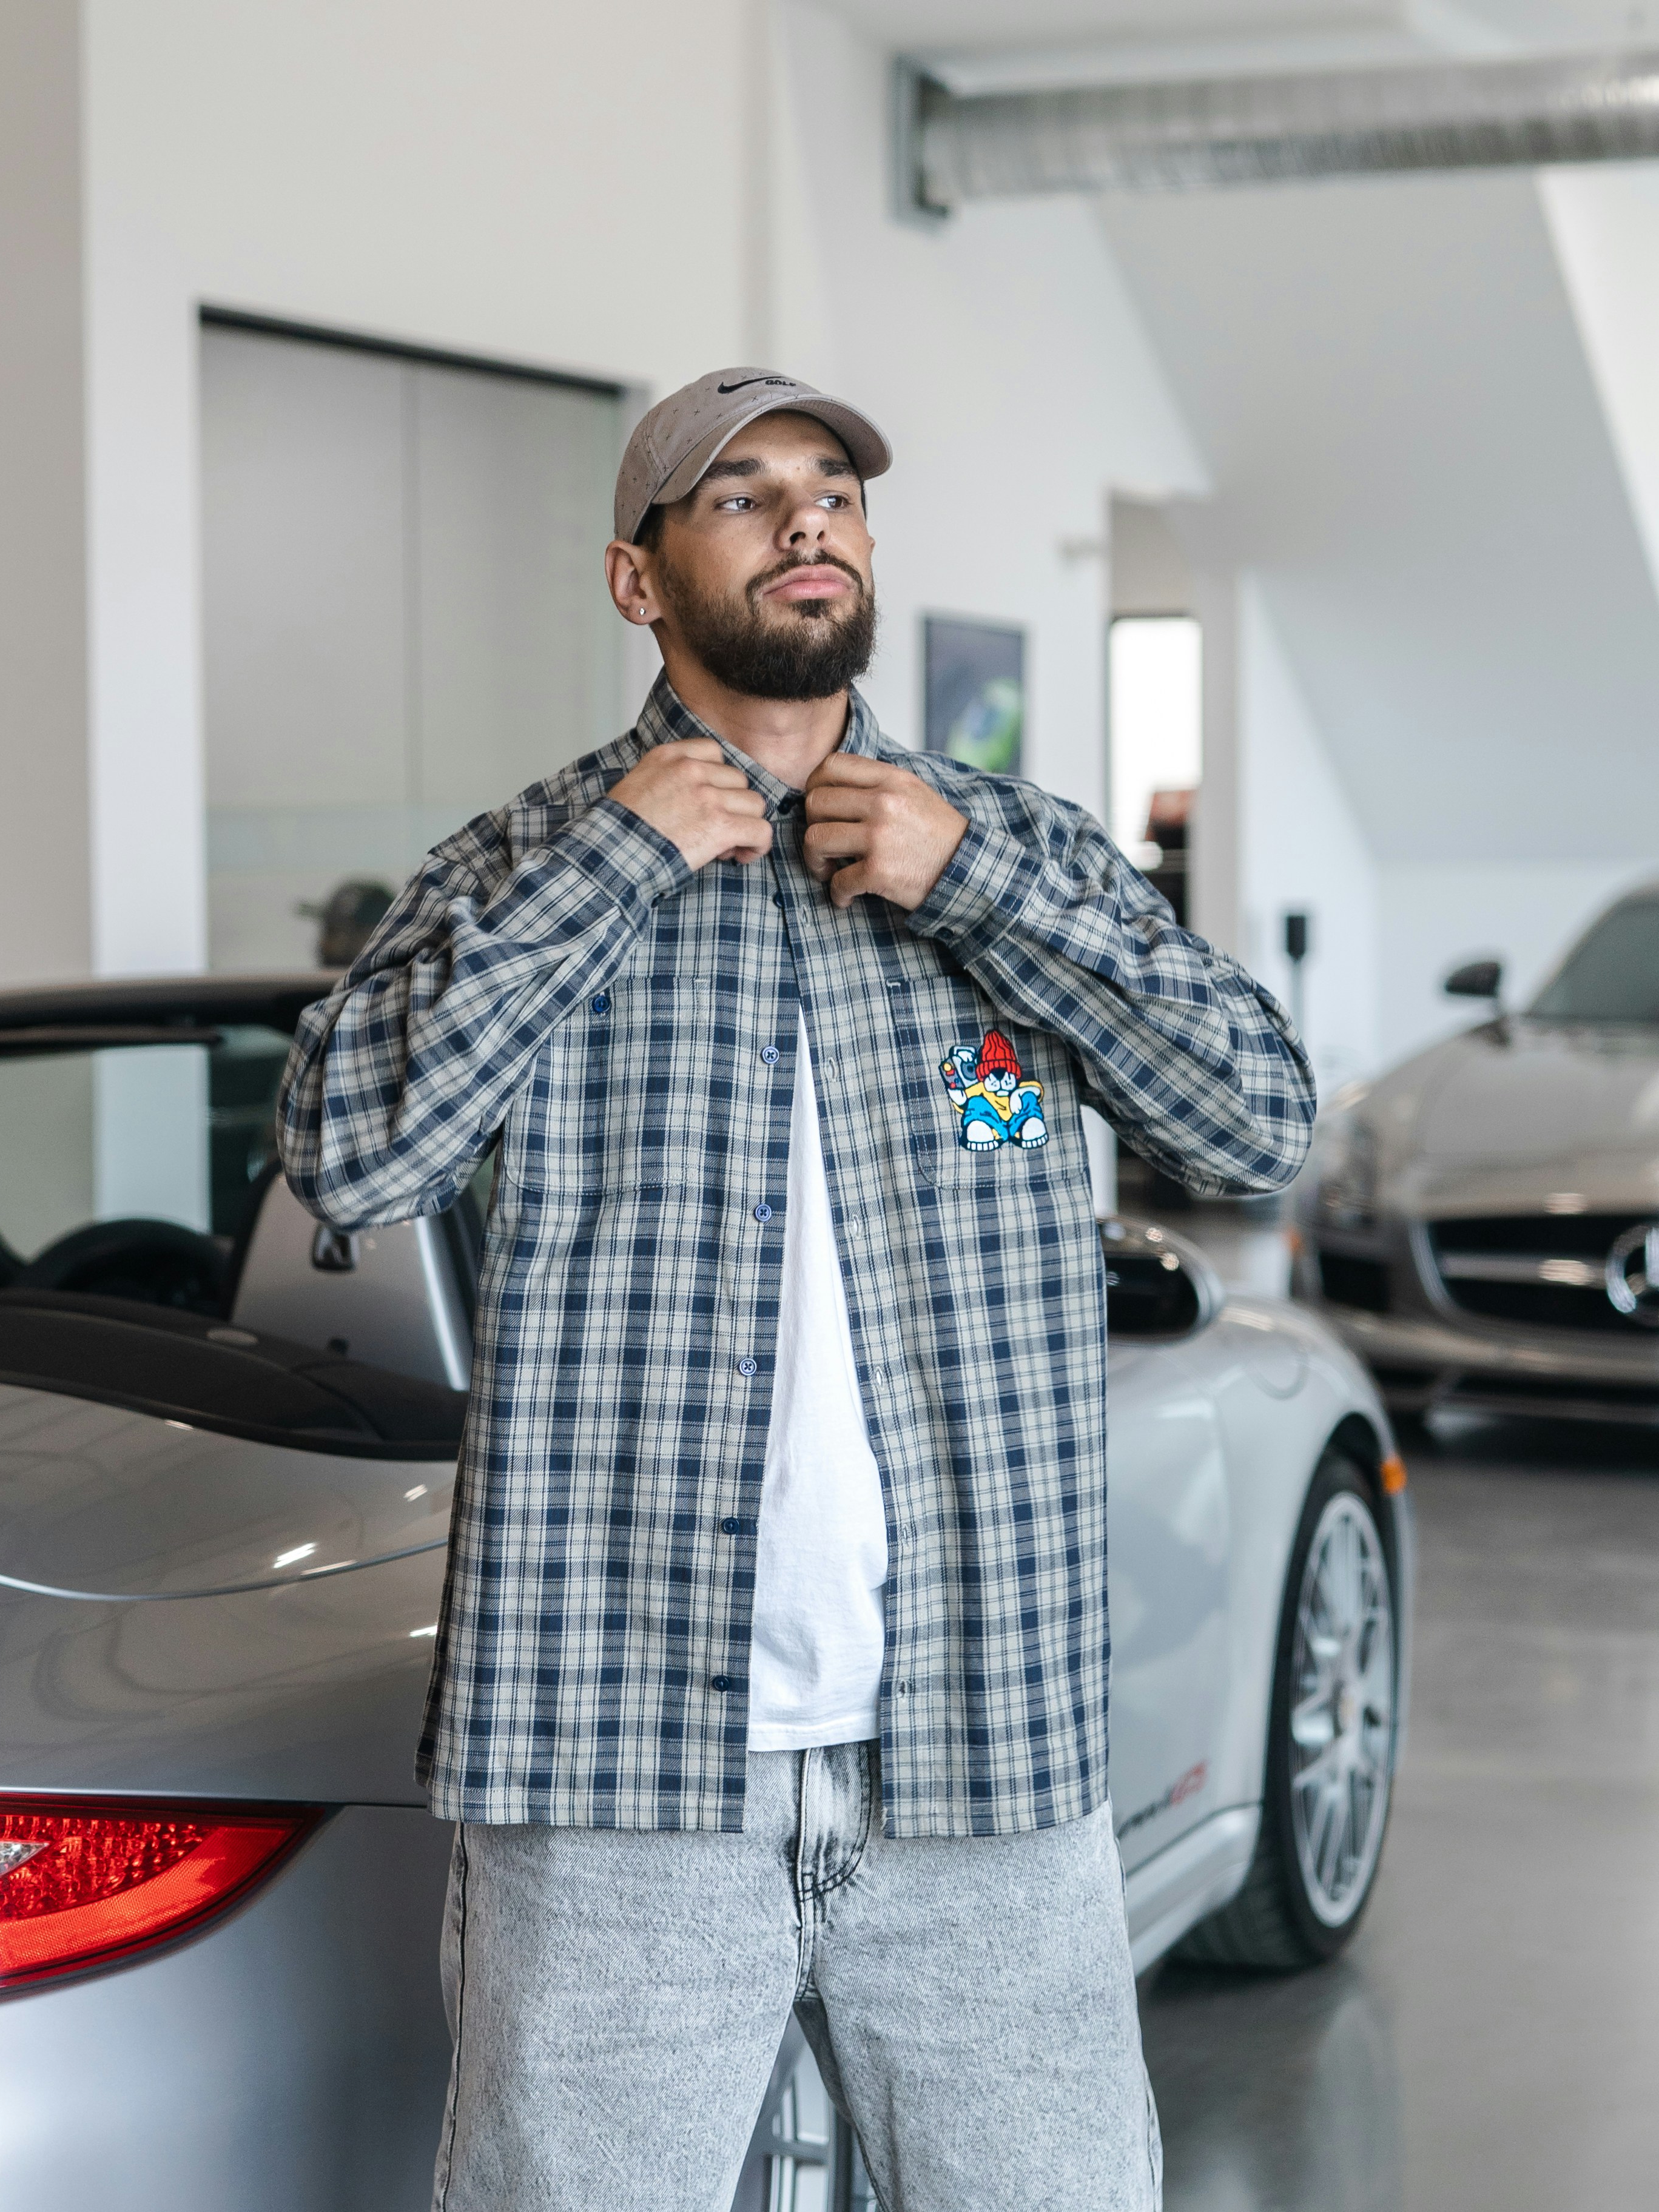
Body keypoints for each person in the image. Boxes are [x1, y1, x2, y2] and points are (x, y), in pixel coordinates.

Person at [277, 366, 1315, 2211]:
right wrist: (617, 863)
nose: (806, 519)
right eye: (742, 494)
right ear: (637, 579)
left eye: (831, 488)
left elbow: (1256, 1126)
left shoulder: (1019, 854)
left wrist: (982, 887)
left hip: (985, 1751)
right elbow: (353, 1157)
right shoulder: (521, 866)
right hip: (616, 1766)